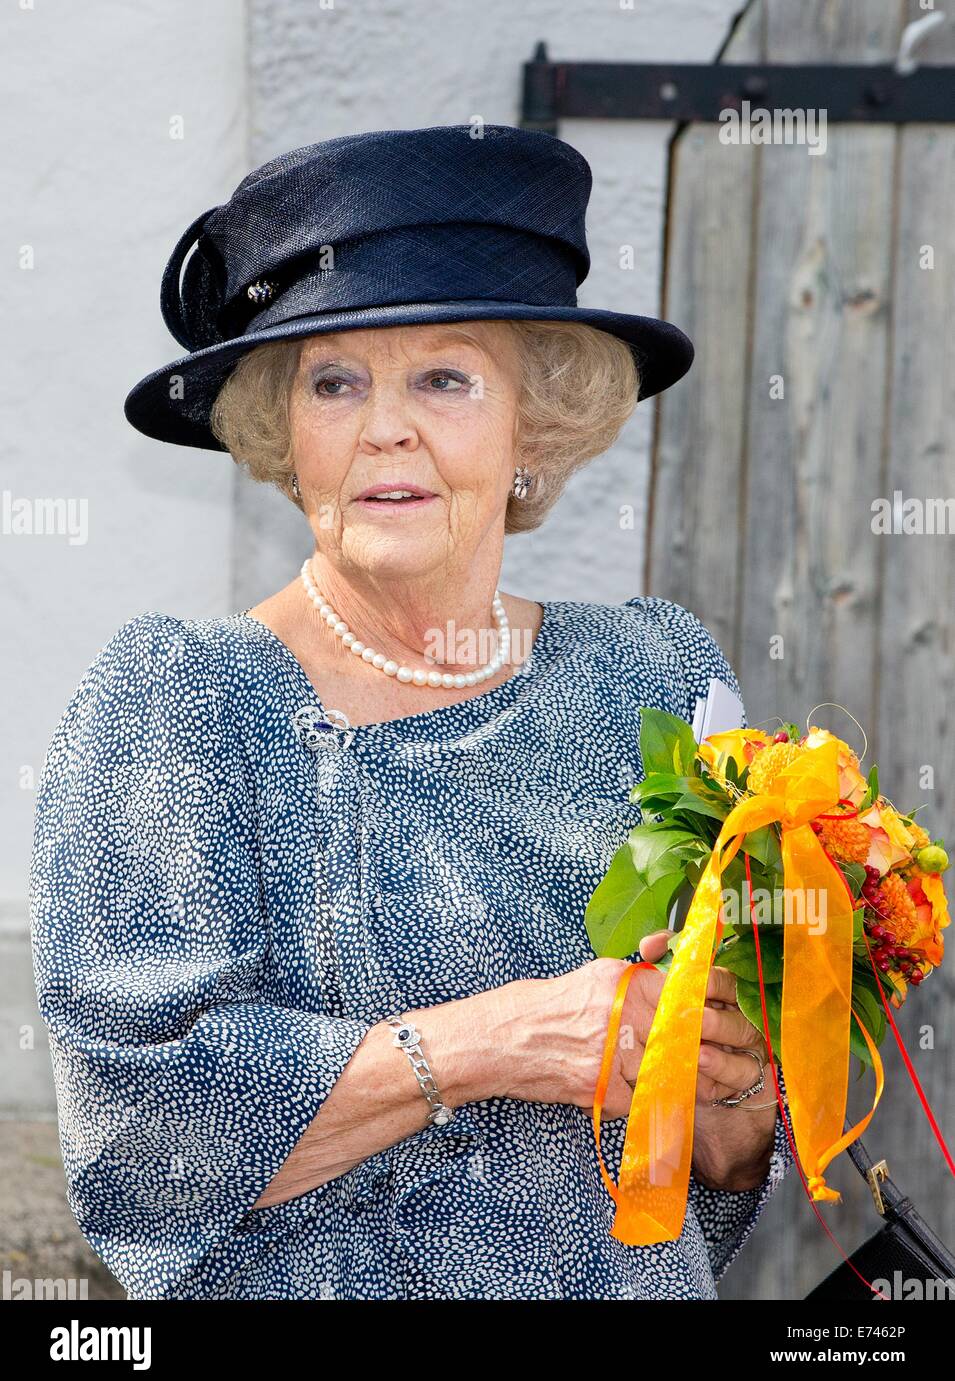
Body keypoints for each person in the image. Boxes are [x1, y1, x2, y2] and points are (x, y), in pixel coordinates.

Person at [29, 124, 793, 1301]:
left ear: (531, 425)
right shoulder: (179, 701)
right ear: (284, 430)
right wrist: (503, 1042)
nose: (386, 426)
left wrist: (738, 1076)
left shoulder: (651, 674)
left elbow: (725, 1157)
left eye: (444, 377)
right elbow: (148, 1140)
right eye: (335, 381)